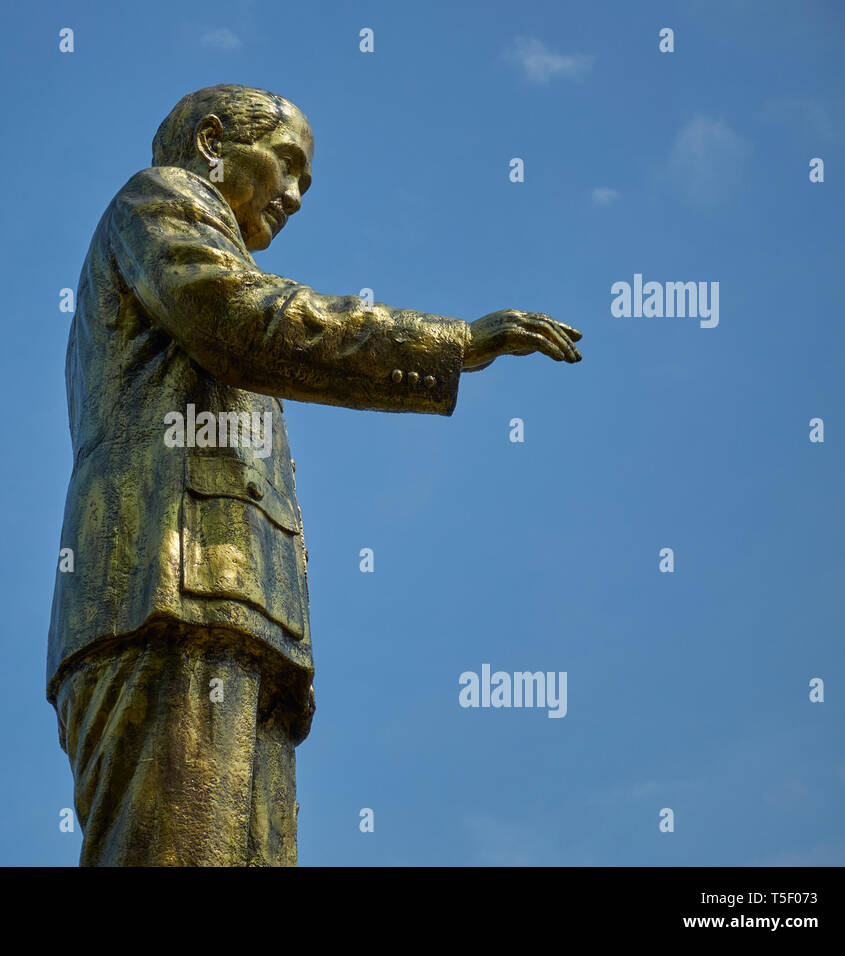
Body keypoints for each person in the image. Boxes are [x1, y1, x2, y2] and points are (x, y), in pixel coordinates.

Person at [47, 84, 582, 865]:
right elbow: (237, 318)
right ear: (212, 141)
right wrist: (449, 342)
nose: (295, 196)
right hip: (166, 597)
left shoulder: (203, 259)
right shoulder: (158, 201)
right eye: (287, 165)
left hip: (237, 613)